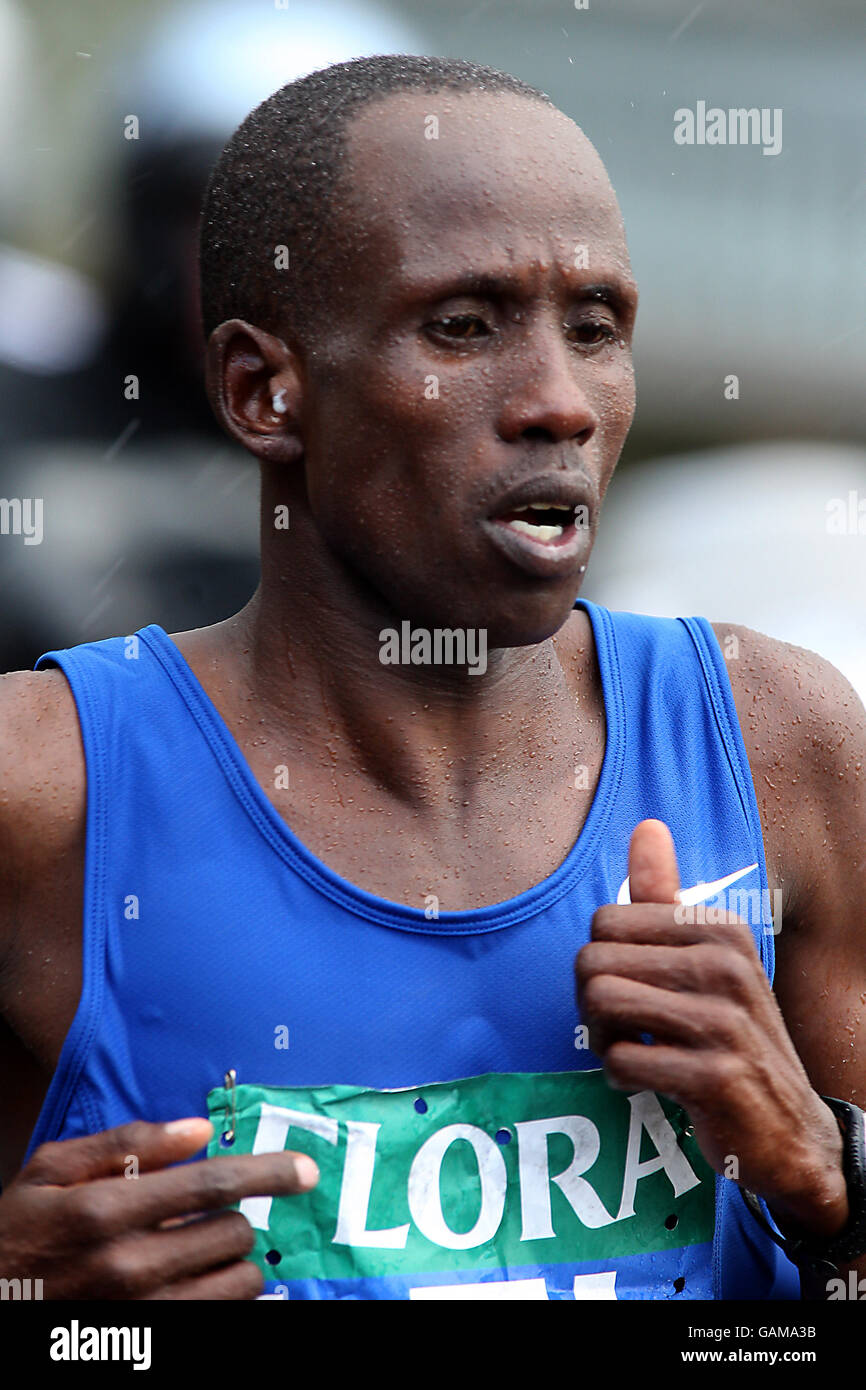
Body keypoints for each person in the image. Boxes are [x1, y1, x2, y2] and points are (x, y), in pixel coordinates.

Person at [0, 54, 864, 1302]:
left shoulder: (779, 749)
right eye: (461, 327)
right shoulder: (46, 794)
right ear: (263, 390)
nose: (558, 403)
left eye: (595, 328)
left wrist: (823, 1171)